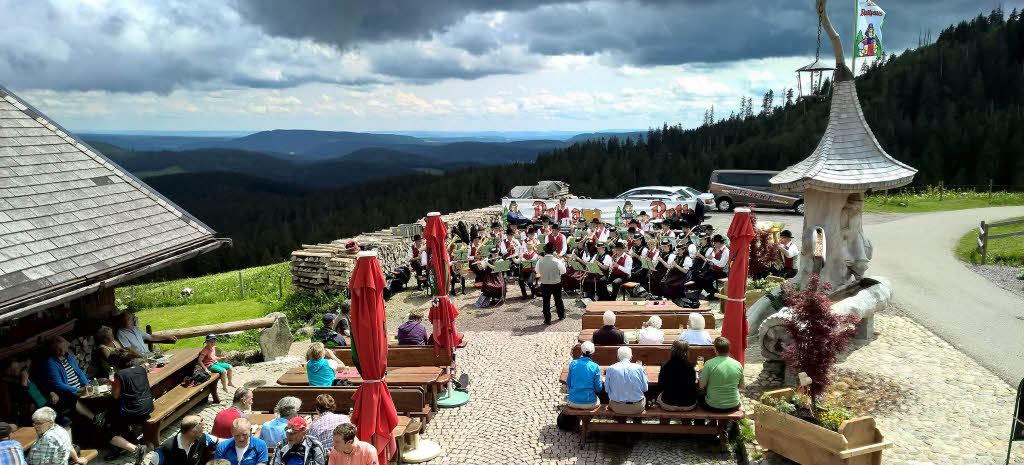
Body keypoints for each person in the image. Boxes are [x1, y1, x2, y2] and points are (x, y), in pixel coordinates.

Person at [101, 348, 154, 462]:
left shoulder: (119, 374)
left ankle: (134, 449)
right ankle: (130, 439)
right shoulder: (141, 369)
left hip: (132, 412)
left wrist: (113, 385)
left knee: (106, 429)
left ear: (116, 364)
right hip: (147, 407)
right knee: (118, 418)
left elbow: (115, 396)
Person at [41, 337, 95, 422]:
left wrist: (86, 383)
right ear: (53, 350)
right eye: (59, 350)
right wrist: (78, 390)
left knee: (98, 384)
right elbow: (59, 384)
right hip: (68, 391)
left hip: (80, 386)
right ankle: (94, 419)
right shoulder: (51, 363)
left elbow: (78, 371)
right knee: (72, 398)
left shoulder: (68, 356)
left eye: (63, 349)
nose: (62, 352)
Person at [698, 337, 745, 412]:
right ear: (729, 349)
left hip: (713, 406)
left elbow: (701, 385)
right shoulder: (738, 364)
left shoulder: (709, 364)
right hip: (733, 405)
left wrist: (701, 375)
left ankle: (700, 422)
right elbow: (741, 386)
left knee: (699, 396)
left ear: (715, 349)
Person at [152, 415, 218, 465]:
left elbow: (222, 442)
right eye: (202, 427)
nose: (204, 428)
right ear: (193, 431)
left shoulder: (204, 438)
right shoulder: (164, 448)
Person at [2, 359, 49, 426]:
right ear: (9, 372)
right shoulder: (9, 384)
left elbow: (40, 386)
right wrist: (24, 380)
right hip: (33, 412)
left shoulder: (23, 375)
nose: (21, 369)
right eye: (17, 368)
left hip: (44, 403)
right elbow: (22, 399)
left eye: (19, 366)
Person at [604, 347, 649, 415]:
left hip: (617, 407)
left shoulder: (611, 368)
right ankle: (637, 422)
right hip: (637, 407)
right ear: (631, 357)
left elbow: (606, 389)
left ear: (618, 357)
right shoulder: (639, 368)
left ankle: (621, 421)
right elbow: (645, 389)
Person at [657, 341, 698, 411]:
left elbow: (660, 384)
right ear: (686, 352)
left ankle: (665, 422)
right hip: (688, 403)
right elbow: (693, 383)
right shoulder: (690, 366)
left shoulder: (665, 365)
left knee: (659, 397)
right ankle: (686, 422)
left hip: (668, 403)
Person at [690, 234, 730, 300]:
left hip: (721, 272)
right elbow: (714, 262)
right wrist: (709, 260)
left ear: (719, 242)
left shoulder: (726, 251)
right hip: (714, 270)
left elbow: (721, 264)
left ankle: (714, 294)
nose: (714, 245)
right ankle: (713, 293)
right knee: (699, 277)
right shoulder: (718, 249)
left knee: (705, 279)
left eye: (715, 243)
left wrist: (712, 259)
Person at [564, 342, 602, 410]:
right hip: (589, 402)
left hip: (572, 401)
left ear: (581, 351)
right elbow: (598, 389)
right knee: (599, 400)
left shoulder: (573, 364)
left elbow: (568, 384)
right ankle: (587, 419)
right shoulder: (595, 366)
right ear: (593, 352)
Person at [537, 242, 567, 325]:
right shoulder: (557, 261)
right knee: (558, 300)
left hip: (545, 283)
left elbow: (537, 271)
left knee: (546, 301)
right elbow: (563, 271)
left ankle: (547, 319)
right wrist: (562, 263)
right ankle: (561, 315)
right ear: (553, 252)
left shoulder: (540, 261)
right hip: (556, 282)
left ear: (545, 251)